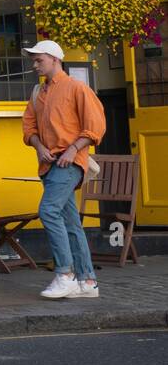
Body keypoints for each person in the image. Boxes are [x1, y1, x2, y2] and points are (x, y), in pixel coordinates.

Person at [21, 40, 106, 300]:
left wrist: (72, 150)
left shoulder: (77, 88)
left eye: (39, 60)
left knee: (48, 210)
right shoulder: (38, 92)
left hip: (69, 164)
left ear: (55, 59)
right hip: (49, 165)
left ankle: (65, 274)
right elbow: (28, 127)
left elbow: (96, 126)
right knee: (71, 224)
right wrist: (37, 146)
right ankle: (88, 281)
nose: (35, 65)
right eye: (34, 60)